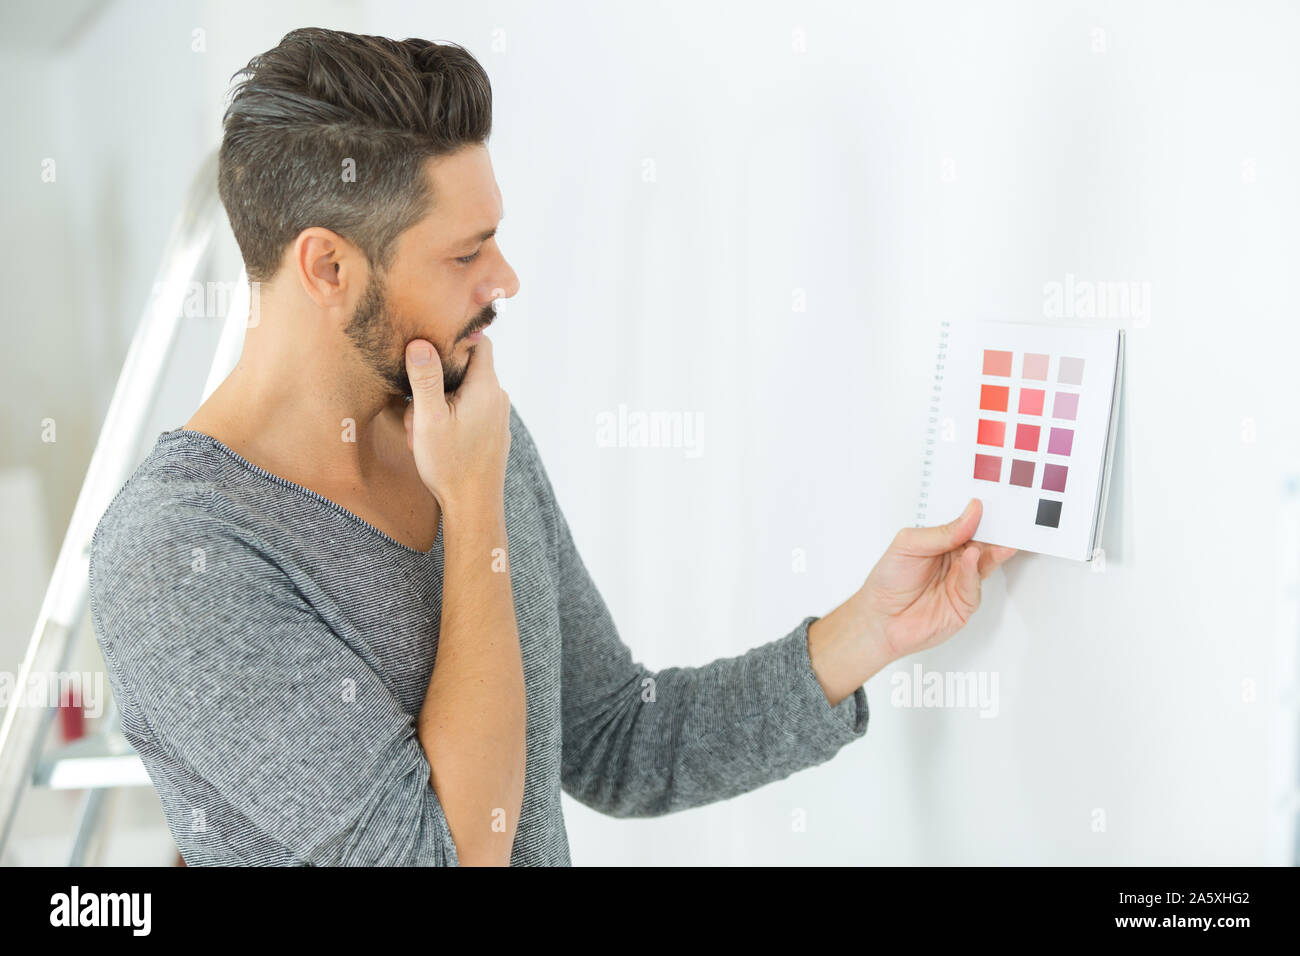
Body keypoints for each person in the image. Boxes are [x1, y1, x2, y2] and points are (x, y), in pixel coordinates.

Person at [88, 27, 1016, 867]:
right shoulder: (180, 554)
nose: (505, 279)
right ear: (328, 267)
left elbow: (615, 738)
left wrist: (869, 630)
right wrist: (472, 507)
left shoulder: (465, 426)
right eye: (465, 255)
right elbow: (446, 860)